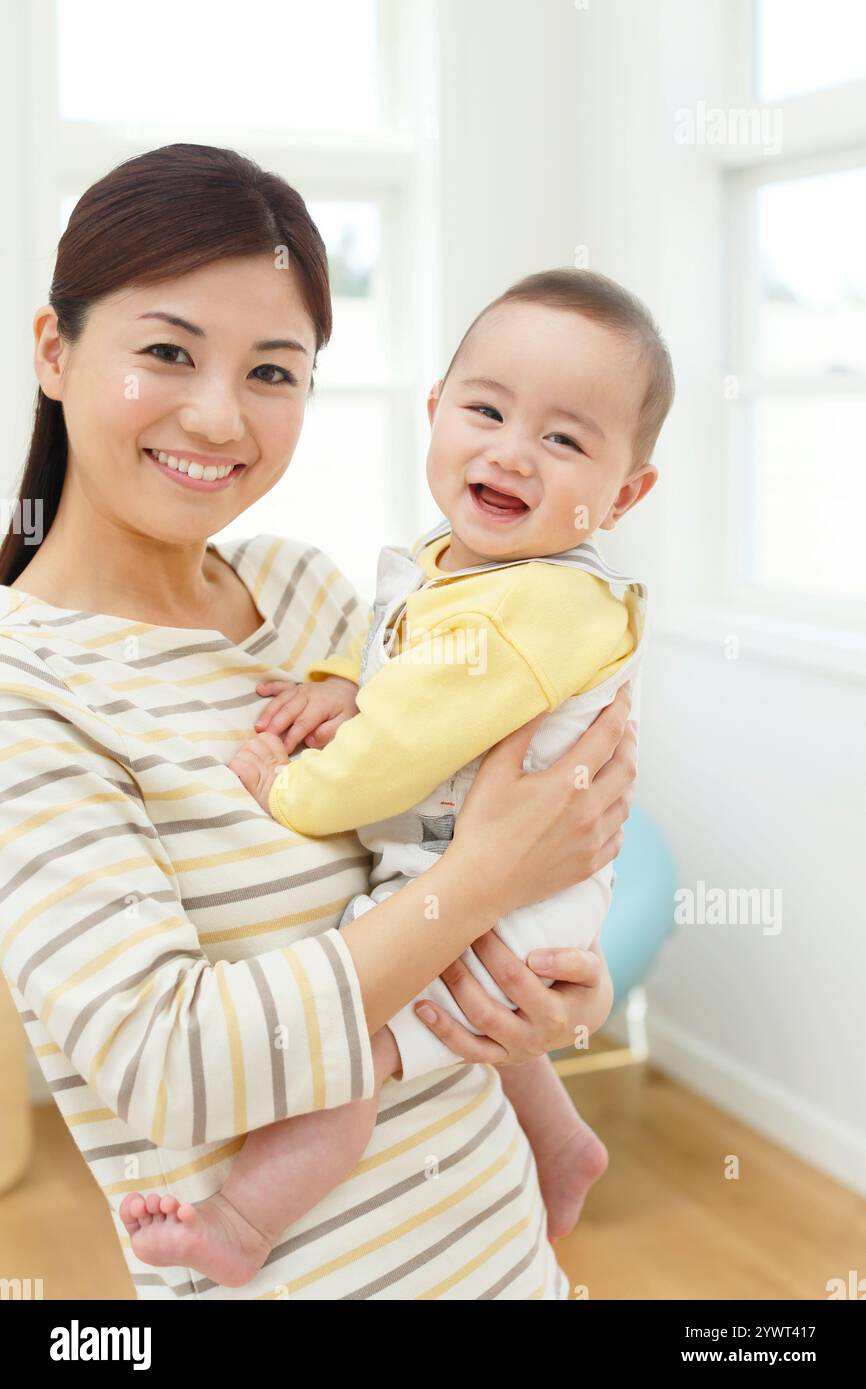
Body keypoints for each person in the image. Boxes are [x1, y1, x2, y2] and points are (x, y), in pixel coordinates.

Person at [0, 143, 636, 1301]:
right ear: (55, 348)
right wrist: (488, 878)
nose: (217, 415)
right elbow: (172, 1066)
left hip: (507, 1259)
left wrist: (556, 992)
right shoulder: (25, 682)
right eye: (165, 352)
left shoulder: (307, 593)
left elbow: (466, 836)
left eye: (272, 371)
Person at [119, 268, 671, 1287]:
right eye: (485, 409)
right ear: (434, 412)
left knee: (346, 1048)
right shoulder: (451, 561)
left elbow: (406, 742)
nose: (511, 449)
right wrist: (338, 680)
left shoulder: (541, 603)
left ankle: (242, 1221)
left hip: (521, 888)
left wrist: (290, 790)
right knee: (454, 996)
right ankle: (562, 1142)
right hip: (482, 864)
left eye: (563, 439)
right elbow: (399, 660)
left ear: (624, 491)